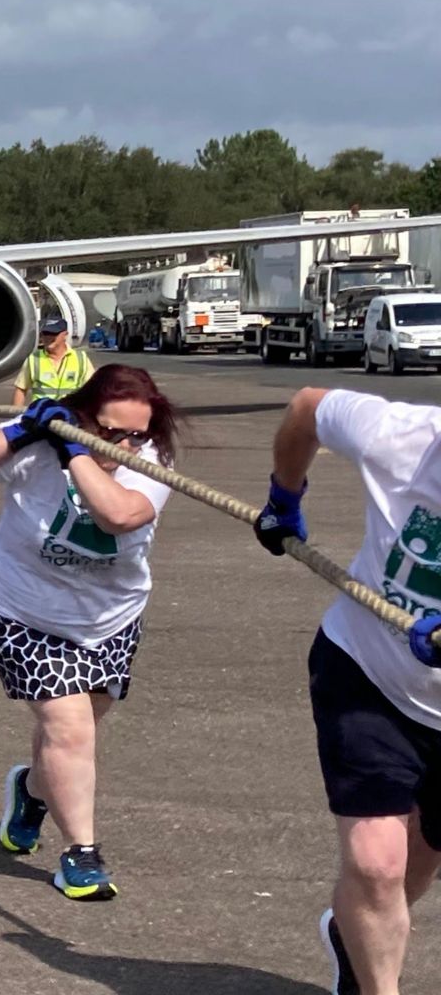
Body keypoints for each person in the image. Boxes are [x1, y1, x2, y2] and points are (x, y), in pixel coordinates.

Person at [0, 364, 177, 903]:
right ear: (83, 413)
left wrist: (80, 453)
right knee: (68, 728)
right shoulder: (40, 442)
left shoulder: (152, 458)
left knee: (72, 733)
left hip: (110, 615)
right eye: (109, 430)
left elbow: (119, 515)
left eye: (134, 433)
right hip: (22, 607)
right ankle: (80, 856)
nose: (122, 444)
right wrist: (25, 431)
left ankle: (31, 791)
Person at [254, 385, 441, 992]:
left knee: (420, 856)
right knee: (375, 864)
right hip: (367, 670)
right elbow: (307, 404)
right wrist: (285, 493)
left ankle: (353, 933)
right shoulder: (398, 436)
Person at [12, 316, 95, 406]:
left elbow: (93, 389)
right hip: (41, 415)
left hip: (69, 415)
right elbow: (20, 389)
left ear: (65, 335)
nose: (48, 337)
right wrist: (17, 415)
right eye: (45, 333)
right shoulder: (33, 359)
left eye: (53, 333)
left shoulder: (81, 358)